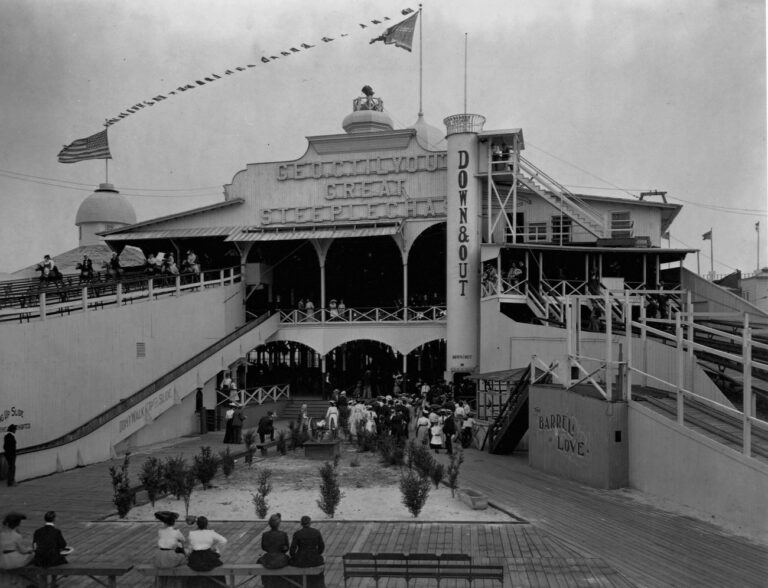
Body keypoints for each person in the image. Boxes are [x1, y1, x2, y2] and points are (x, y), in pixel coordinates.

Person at [289, 516, 325, 588]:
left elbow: (292, 550)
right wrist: (317, 554)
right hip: (314, 559)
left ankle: (297, 584)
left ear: (301, 523)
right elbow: (321, 546)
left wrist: (295, 557)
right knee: (320, 565)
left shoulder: (298, 534)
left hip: (301, 560)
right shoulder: (316, 532)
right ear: (310, 523)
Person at [152, 510, 187, 583]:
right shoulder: (176, 532)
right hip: (170, 557)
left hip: (159, 557)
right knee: (183, 557)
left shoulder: (160, 531)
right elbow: (183, 540)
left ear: (164, 522)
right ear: (173, 523)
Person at [258, 513, 291, 587]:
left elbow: (264, 547)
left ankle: (267, 583)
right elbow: (286, 548)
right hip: (281, 559)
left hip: (268, 560)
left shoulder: (265, 534)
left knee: (260, 561)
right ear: (278, 524)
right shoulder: (283, 534)